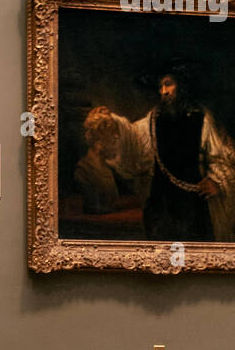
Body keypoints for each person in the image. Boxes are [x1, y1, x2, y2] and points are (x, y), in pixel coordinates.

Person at [101, 65, 235, 241]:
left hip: (193, 203)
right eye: (160, 86)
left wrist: (217, 182)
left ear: (182, 86)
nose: (163, 91)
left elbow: (221, 157)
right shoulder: (153, 118)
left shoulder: (202, 118)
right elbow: (133, 138)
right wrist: (113, 121)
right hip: (160, 203)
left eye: (168, 84)